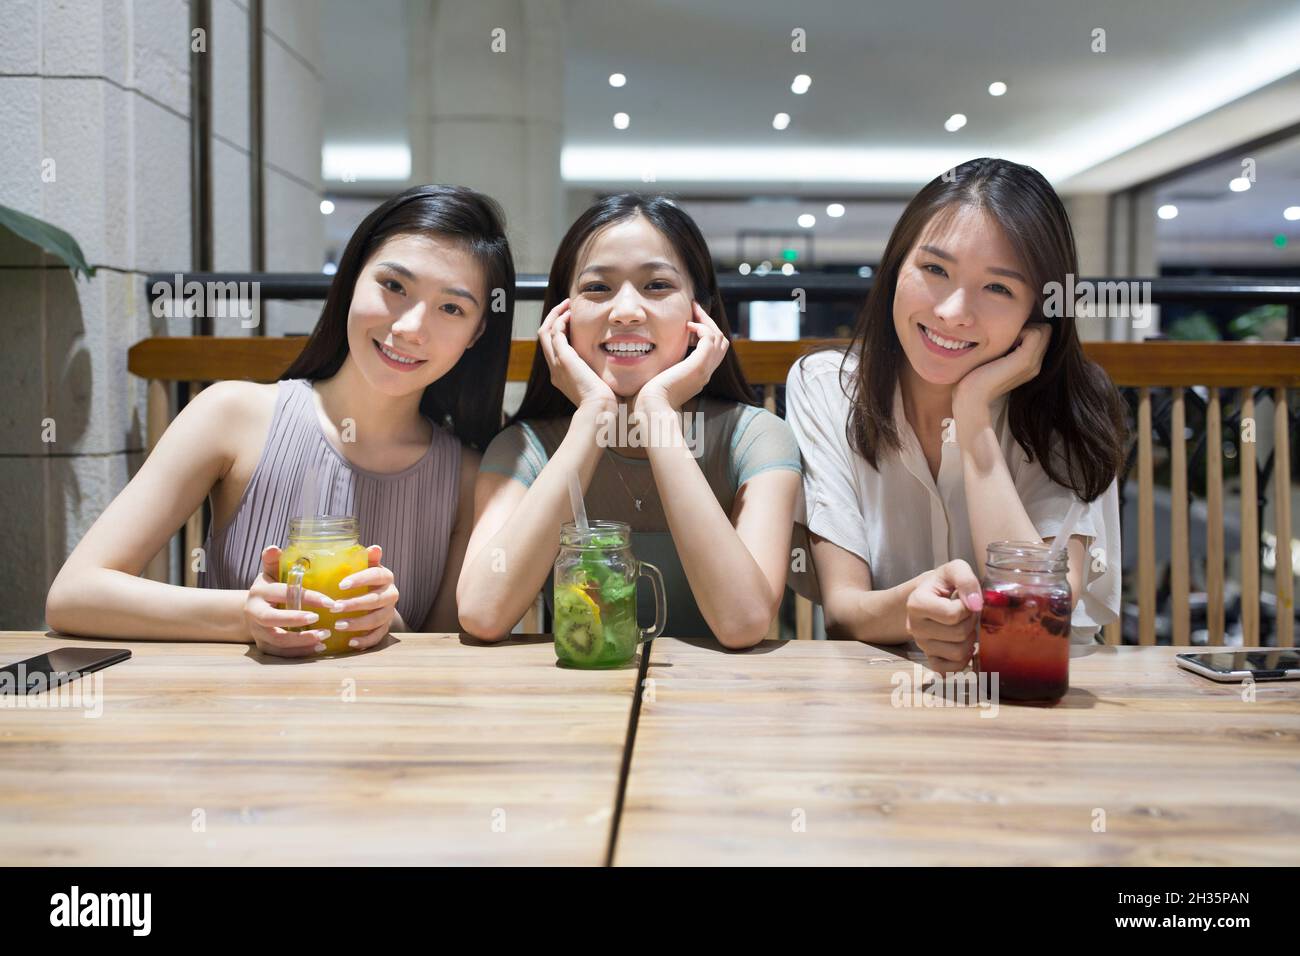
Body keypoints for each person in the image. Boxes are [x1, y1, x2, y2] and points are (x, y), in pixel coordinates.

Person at [46, 184, 515, 656]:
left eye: (451, 308)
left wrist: (387, 623)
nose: (410, 328)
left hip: (381, 724)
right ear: (352, 278)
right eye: (394, 286)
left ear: (477, 332)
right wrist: (247, 615)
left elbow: (445, 663)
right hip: (233, 720)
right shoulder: (230, 415)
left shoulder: (468, 478)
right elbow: (74, 595)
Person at [785, 158, 1126, 672]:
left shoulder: (1067, 406)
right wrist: (912, 610)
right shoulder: (827, 387)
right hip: (887, 701)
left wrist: (973, 414)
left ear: (1039, 312)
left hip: (1039, 701)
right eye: (935, 270)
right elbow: (844, 610)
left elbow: (1035, 613)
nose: (953, 312)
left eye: (999, 288)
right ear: (897, 267)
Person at [458, 194, 802, 648]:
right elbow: (483, 613)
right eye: (597, 288)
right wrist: (594, 416)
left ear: (700, 311)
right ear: (561, 317)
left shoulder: (757, 438)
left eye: (657, 285)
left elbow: (742, 623)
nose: (625, 311)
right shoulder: (525, 447)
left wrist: (657, 411)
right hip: (573, 705)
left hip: (720, 711)